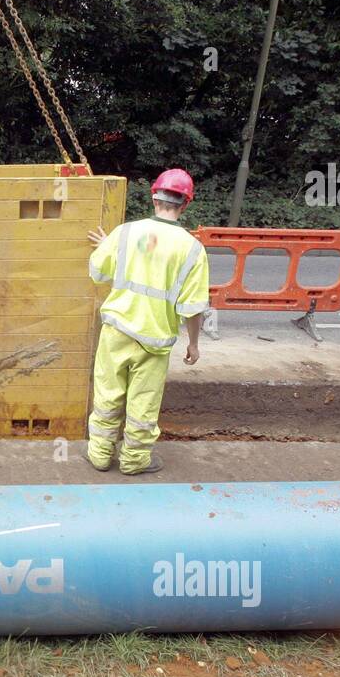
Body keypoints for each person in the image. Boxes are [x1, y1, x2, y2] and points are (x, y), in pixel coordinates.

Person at [84, 168, 208, 474]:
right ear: (186, 204)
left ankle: (99, 454)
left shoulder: (124, 233)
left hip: (116, 331)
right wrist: (193, 343)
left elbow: (98, 272)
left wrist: (107, 244)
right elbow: (192, 308)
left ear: (154, 198)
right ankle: (134, 461)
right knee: (143, 405)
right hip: (154, 340)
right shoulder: (192, 249)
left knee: (107, 395)